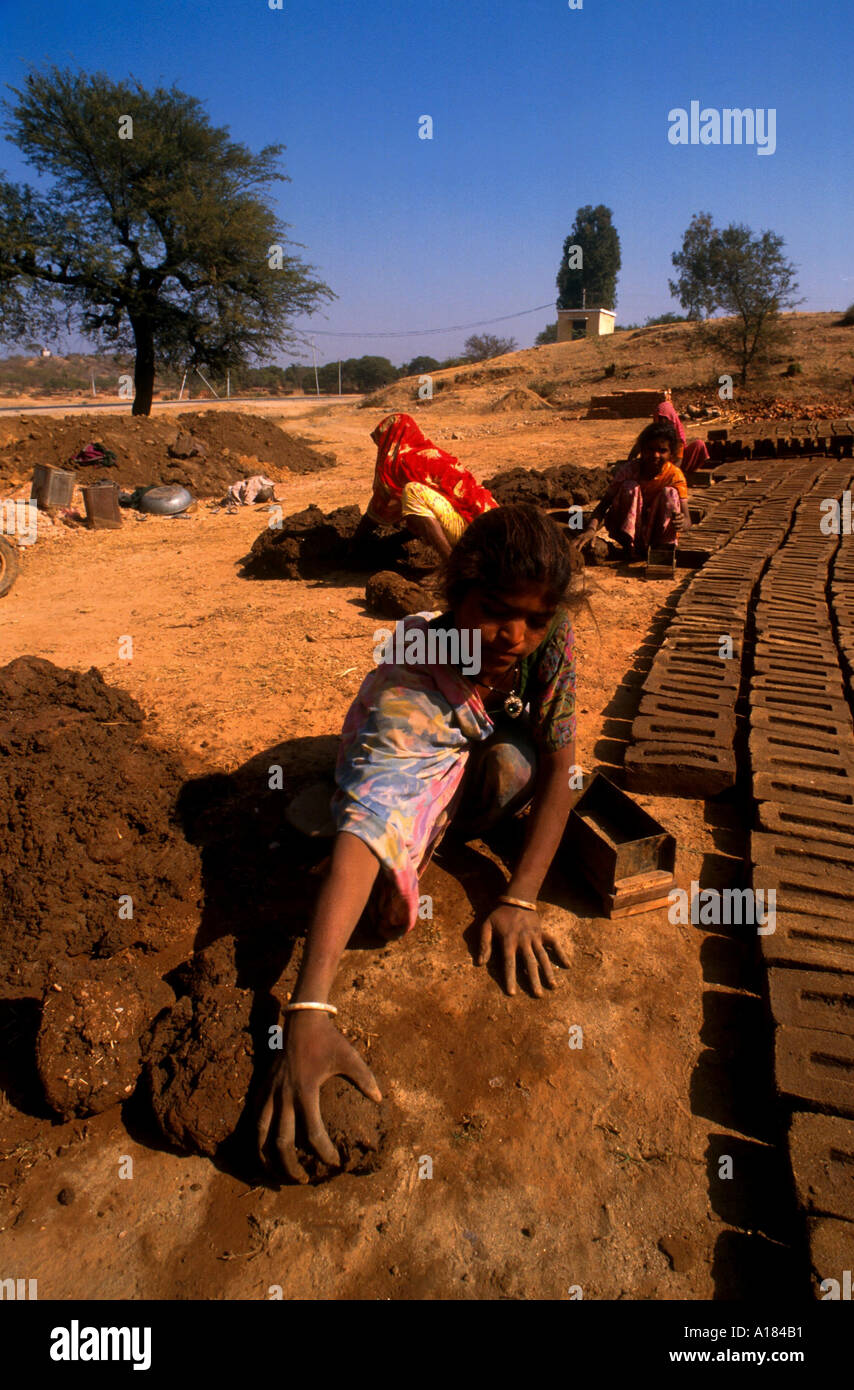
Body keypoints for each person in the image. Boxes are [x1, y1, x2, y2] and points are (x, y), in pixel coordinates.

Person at [257, 504, 578, 1181]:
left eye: (535, 618)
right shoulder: (419, 674)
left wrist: (520, 897)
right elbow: (378, 804)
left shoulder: (549, 641)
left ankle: (437, 802)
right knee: (377, 814)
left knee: (511, 770)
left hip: (487, 739)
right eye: (494, 611)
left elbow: (562, 767)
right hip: (404, 739)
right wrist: (309, 1005)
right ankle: (385, 823)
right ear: (456, 594)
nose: (515, 635)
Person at [350, 413, 497, 559]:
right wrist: (395, 540)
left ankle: (452, 566)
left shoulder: (402, 463)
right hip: (493, 529)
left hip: (474, 534)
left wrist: (355, 543)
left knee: (413, 493)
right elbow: (426, 516)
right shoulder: (430, 455)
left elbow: (380, 506)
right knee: (417, 507)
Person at [575, 419, 691, 561]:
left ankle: (661, 550)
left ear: (671, 454)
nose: (655, 455)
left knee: (670, 494)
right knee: (630, 487)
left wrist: (681, 522)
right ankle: (631, 547)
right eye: (650, 449)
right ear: (642, 449)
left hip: (657, 533)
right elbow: (604, 504)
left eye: (662, 451)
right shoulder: (629, 470)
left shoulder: (675, 475)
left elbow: (687, 520)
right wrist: (590, 530)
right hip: (625, 531)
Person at [629, 398, 709, 474]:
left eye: (664, 419)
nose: (662, 421)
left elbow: (678, 459)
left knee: (699, 444)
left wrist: (670, 473)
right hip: (656, 462)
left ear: (671, 418)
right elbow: (640, 443)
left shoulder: (677, 435)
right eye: (659, 418)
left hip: (672, 464)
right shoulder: (655, 430)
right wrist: (630, 461)